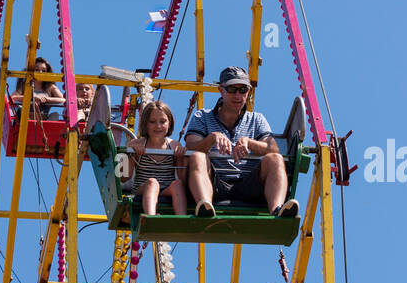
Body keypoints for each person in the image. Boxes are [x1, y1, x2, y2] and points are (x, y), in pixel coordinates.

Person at [185, 66, 298, 218]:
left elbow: (272, 147)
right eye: (232, 89)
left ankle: (277, 210)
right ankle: (204, 206)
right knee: (198, 156)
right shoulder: (202, 116)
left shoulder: (256, 119)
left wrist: (249, 142)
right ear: (221, 90)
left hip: (249, 183)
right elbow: (191, 146)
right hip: (215, 183)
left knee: (275, 158)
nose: (238, 95)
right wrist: (212, 138)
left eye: (243, 89)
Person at [122, 102, 197, 218]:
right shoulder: (137, 144)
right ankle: (150, 216)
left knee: (177, 184)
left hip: (165, 188)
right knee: (152, 182)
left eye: (163, 122)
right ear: (145, 124)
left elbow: (182, 178)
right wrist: (131, 154)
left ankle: (181, 218)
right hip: (143, 187)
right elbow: (124, 177)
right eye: (152, 122)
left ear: (169, 123)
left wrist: (182, 158)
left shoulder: (173, 145)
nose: (158, 126)